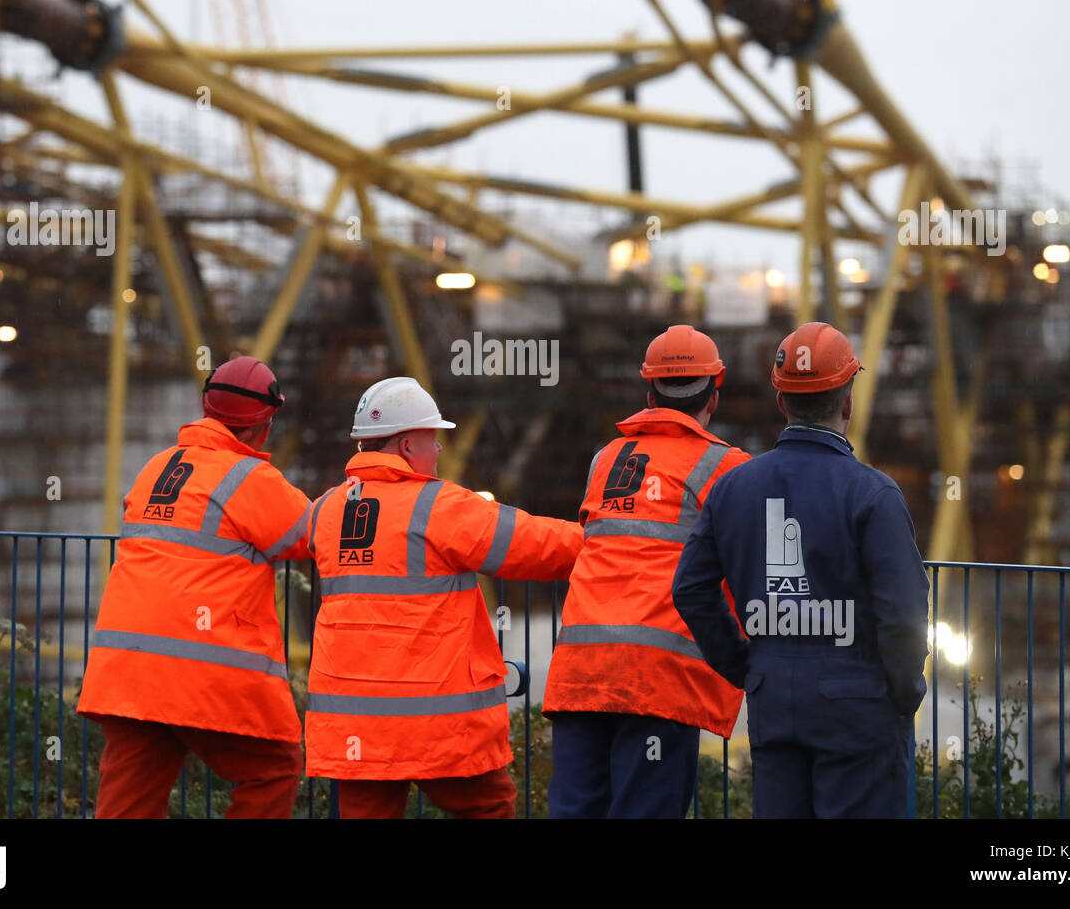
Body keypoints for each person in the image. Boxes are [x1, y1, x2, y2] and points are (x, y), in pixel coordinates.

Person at [673, 322, 930, 818]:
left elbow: (691, 591)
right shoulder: (873, 495)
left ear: (781, 402)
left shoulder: (733, 488)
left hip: (775, 707)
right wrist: (905, 692)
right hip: (860, 710)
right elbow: (903, 613)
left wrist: (748, 670)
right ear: (848, 402)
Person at [301, 376, 583, 818]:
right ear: (408, 445)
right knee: (488, 808)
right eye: (434, 440)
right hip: (440, 725)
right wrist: (612, 541)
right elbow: (539, 545)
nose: (439, 451)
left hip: (357, 726)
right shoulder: (441, 506)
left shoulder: (324, 511)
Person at [78, 356, 312, 818]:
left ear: (206, 407)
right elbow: (315, 536)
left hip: (126, 671)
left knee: (129, 802)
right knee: (273, 769)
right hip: (202, 672)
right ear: (266, 423)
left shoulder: (156, 467)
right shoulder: (251, 479)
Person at [544, 325, 751, 818]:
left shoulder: (605, 460)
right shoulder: (730, 468)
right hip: (656, 681)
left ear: (649, 390)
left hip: (580, 673)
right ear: (715, 391)